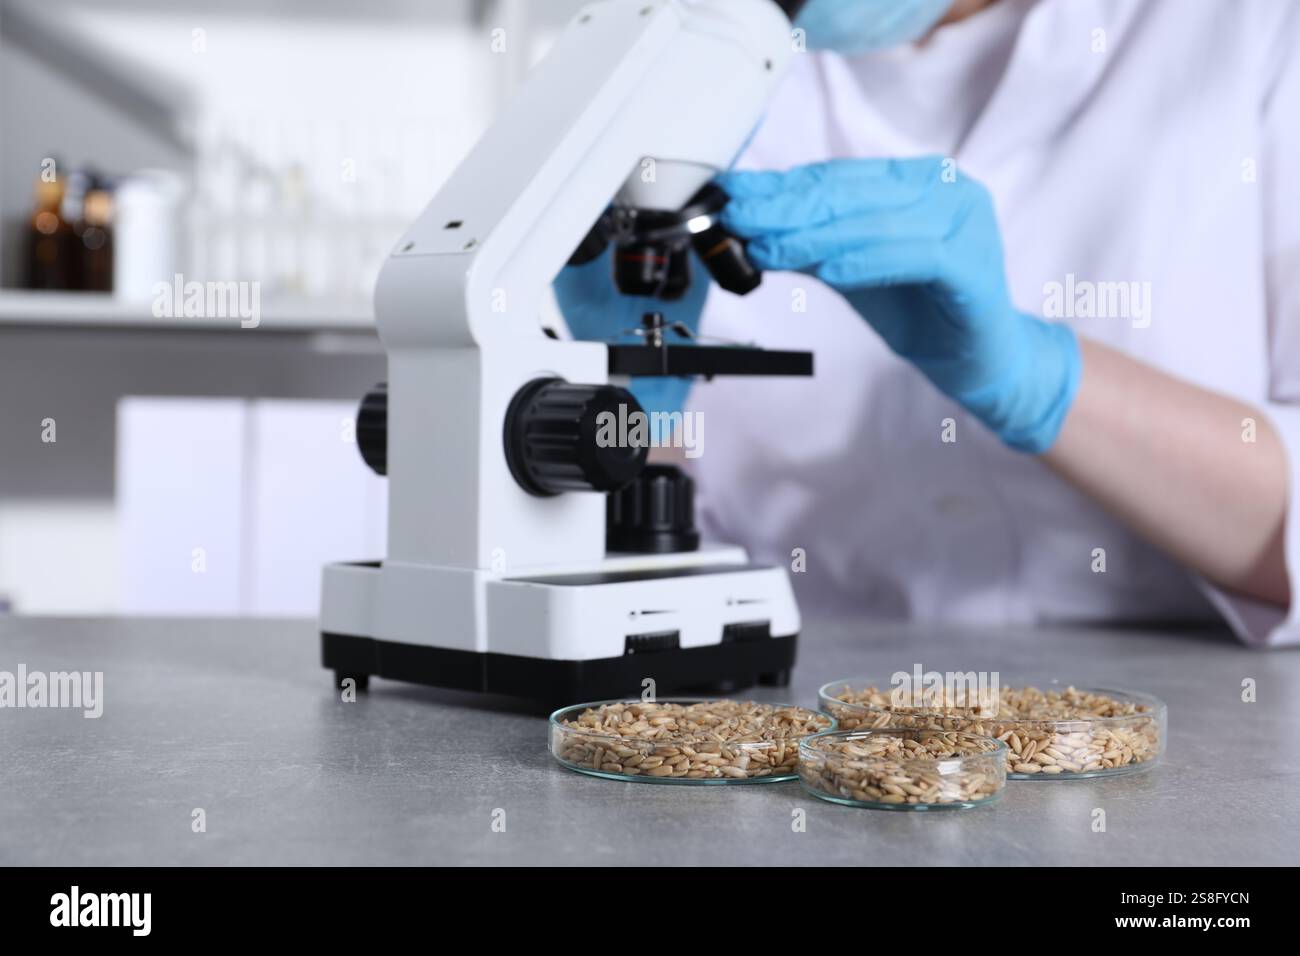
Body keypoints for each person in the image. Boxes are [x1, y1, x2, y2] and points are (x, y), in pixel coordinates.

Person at [556, 0, 1300, 646]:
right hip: (801, 712)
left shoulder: (1248, 32)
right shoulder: (684, 63)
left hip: (1186, 724)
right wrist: (629, 408)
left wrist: (1039, 383)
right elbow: (630, 568)